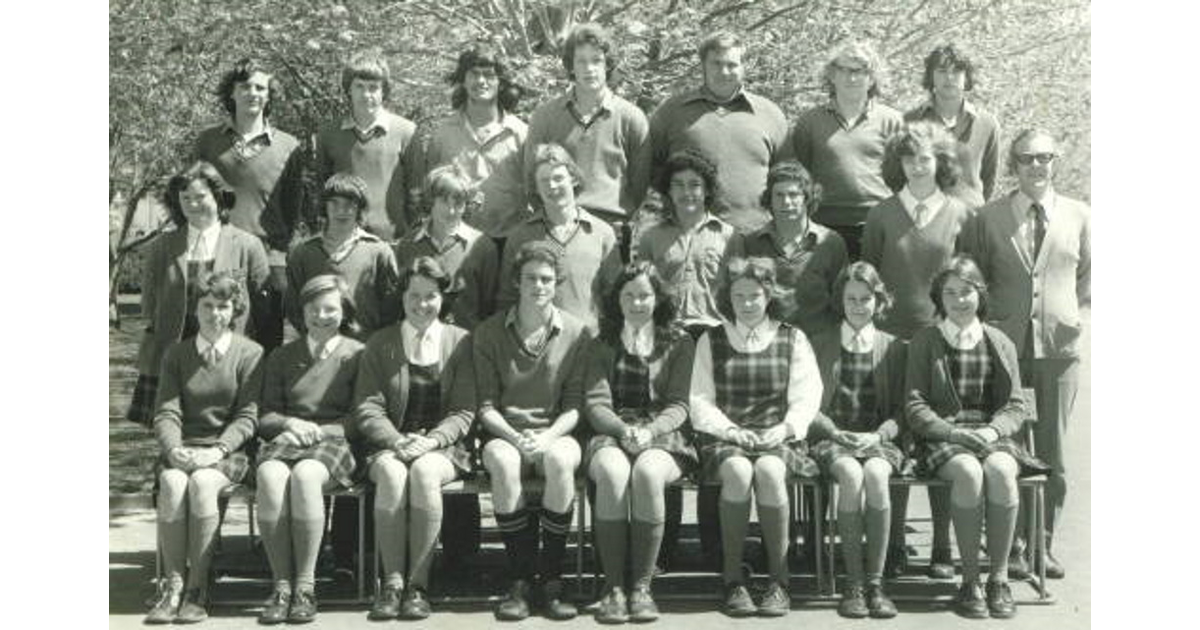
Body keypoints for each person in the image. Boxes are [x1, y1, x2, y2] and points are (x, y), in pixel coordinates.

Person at [963, 128, 1090, 580]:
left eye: (1044, 157)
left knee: (1052, 452)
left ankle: (1043, 545)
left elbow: (1086, 279)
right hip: (1005, 352)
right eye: (1026, 158)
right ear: (1012, 165)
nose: (1036, 165)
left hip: (1057, 352)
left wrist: (1060, 315)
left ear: (1055, 161)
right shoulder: (986, 218)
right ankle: (1009, 545)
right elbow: (972, 281)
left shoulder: (1080, 216)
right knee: (1007, 446)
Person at [862, 121, 975, 577]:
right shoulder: (882, 214)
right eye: (908, 159)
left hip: (942, 342)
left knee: (940, 437)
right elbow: (869, 279)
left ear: (941, 163)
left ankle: (942, 548)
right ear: (898, 164)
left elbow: (968, 282)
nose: (917, 166)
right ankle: (892, 545)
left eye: (926, 158)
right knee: (897, 439)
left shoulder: (961, 213)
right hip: (890, 342)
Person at [906, 256, 1045, 619]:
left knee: (1000, 470)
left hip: (989, 432)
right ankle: (969, 581)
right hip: (944, 438)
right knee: (968, 472)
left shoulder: (998, 341)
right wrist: (953, 432)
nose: (958, 300)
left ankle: (998, 579)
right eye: (949, 292)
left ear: (979, 294)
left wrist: (991, 430)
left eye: (966, 291)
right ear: (939, 298)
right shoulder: (925, 341)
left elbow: (1015, 405)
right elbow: (915, 406)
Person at [690, 257, 822, 618]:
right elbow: (700, 400)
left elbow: (807, 396)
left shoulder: (791, 337)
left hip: (778, 435)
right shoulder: (711, 339)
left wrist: (782, 430)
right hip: (726, 435)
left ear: (769, 296)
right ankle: (733, 579)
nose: (747, 304)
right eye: (739, 296)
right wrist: (731, 430)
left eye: (755, 295)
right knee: (737, 472)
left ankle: (779, 580)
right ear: (727, 298)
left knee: (768, 471)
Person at [473, 242, 593, 620]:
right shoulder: (489, 332)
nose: (538, 286)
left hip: (556, 433)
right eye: (530, 278)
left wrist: (546, 438)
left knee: (560, 461)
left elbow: (574, 406)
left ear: (556, 283)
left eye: (546, 279)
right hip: (504, 433)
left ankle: (553, 580)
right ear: (516, 282)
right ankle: (521, 580)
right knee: (505, 464)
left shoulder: (577, 332)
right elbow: (486, 406)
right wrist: (514, 438)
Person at [353, 257, 477, 620]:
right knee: (392, 474)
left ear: (443, 298)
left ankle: (418, 585)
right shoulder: (381, 343)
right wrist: (395, 441)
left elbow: (464, 410)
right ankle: (392, 584)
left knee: (423, 473)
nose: (422, 304)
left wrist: (432, 441)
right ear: (402, 297)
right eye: (414, 296)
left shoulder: (461, 342)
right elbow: (367, 406)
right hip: (391, 443)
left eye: (431, 296)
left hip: (444, 446)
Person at [144, 272, 265, 624]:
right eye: (207, 305)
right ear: (195, 309)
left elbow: (248, 416)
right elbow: (166, 411)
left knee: (201, 483)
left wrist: (218, 451)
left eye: (223, 306)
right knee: (173, 482)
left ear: (235, 309)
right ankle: (173, 585)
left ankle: (198, 588)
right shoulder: (177, 354)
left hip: (231, 452)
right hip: (185, 447)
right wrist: (173, 449)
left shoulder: (251, 353)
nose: (215, 314)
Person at [582, 261, 697, 623]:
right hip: (612, 430)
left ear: (658, 298)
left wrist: (650, 432)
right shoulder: (601, 342)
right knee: (613, 472)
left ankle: (642, 587)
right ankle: (614, 587)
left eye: (644, 295)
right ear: (615, 299)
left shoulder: (679, 341)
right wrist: (622, 432)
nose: (636, 303)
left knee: (647, 472)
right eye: (628, 295)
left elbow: (680, 404)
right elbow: (595, 402)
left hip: (664, 433)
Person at [254, 275, 366, 624]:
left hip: (337, 443)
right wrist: (288, 425)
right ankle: (281, 585)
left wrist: (320, 431)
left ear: (344, 311)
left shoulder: (358, 354)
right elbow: (265, 414)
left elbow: (363, 415)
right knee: (270, 475)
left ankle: (305, 586)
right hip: (289, 439)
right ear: (301, 313)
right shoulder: (282, 356)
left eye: (330, 308)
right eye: (314, 308)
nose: (321, 316)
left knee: (304, 476)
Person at [127, 161, 269, 427]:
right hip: (174, 354)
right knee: (172, 429)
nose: (193, 204)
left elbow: (264, 308)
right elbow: (149, 304)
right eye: (185, 198)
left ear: (218, 196)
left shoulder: (248, 245)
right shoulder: (162, 246)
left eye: (200, 196)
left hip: (228, 354)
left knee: (226, 427)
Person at [807, 262, 905, 619]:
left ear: (879, 301)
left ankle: (875, 584)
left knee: (877, 476)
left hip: (877, 438)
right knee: (850, 475)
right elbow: (807, 406)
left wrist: (879, 435)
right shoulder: (820, 344)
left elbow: (902, 411)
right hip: (834, 438)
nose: (859, 305)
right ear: (840, 299)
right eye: (851, 298)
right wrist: (834, 432)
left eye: (866, 298)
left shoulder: (895, 348)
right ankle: (853, 582)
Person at [194, 57, 306, 352]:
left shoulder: (289, 145)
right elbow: (191, 197)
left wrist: (281, 251)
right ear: (231, 93)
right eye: (245, 86)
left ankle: (261, 400)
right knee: (217, 338)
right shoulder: (207, 142)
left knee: (266, 342)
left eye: (260, 87)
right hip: (216, 254)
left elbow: (292, 206)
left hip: (268, 260)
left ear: (269, 95)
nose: (252, 93)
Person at [524, 22, 649, 259]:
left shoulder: (631, 118)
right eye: (581, 60)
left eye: (596, 60)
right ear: (570, 65)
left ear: (608, 64)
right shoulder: (545, 117)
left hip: (613, 232)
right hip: (558, 229)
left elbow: (640, 185)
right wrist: (557, 220)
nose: (589, 68)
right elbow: (532, 181)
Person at [641, 31, 788, 232]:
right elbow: (651, 170)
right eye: (716, 64)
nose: (724, 72)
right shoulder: (672, 112)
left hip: (755, 237)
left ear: (745, 67)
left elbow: (786, 177)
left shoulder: (770, 114)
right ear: (703, 66)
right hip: (687, 235)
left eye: (732, 65)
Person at [789, 40, 904, 260]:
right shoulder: (810, 122)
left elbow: (904, 179)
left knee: (872, 293)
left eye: (859, 71)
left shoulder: (892, 121)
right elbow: (799, 179)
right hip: (823, 227)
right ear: (832, 75)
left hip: (877, 226)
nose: (851, 78)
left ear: (871, 78)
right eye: (843, 70)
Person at [496, 143, 620, 331]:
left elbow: (616, 297)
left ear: (573, 179)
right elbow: (507, 299)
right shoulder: (521, 236)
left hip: (588, 344)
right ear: (536, 188)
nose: (552, 186)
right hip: (536, 344)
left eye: (558, 178)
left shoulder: (602, 233)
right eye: (544, 181)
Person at [411, 43, 528, 238]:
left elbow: (534, 192)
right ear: (463, 80)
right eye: (474, 73)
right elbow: (430, 194)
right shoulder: (442, 134)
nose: (481, 81)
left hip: (509, 242)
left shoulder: (521, 133)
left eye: (489, 74)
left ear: (501, 82)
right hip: (455, 242)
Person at [730, 160, 848, 339]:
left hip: (819, 344)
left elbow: (842, 301)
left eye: (793, 195)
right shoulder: (752, 244)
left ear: (807, 197)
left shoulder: (831, 242)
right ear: (769, 198)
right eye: (779, 195)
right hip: (769, 344)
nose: (786, 202)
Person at [314, 51, 419, 240]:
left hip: (394, 240)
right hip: (343, 239)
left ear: (384, 91)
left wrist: (410, 236)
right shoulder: (328, 134)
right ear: (348, 89)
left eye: (373, 87)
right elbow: (322, 190)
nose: (366, 94)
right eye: (359, 86)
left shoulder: (406, 132)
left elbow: (416, 192)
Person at [285, 173, 400, 340]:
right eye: (334, 203)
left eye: (349, 204)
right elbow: (294, 306)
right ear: (324, 206)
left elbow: (392, 307)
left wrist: (375, 343)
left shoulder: (379, 251)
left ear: (360, 208)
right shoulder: (304, 252)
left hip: (364, 349)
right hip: (318, 346)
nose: (341, 211)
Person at [636, 149, 736, 338]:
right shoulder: (651, 237)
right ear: (669, 190)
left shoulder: (729, 237)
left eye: (694, 185)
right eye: (678, 185)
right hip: (667, 332)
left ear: (707, 190)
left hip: (716, 332)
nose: (686, 192)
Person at [394, 164, 500, 330]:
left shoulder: (482, 246)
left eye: (458, 203)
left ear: (467, 204)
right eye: (444, 201)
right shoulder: (408, 244)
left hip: (465, 344)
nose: (451, 210)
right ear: (430, 200)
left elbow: (489, 308)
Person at [904, 44, 1001, 203]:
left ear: (967, 77)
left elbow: (988, 179)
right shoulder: (911, 121)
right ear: (931, 77)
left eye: (956, 71)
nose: (949, 78)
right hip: (925, 216)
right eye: (942, 71)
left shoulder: (987, 123)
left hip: (971, 218)